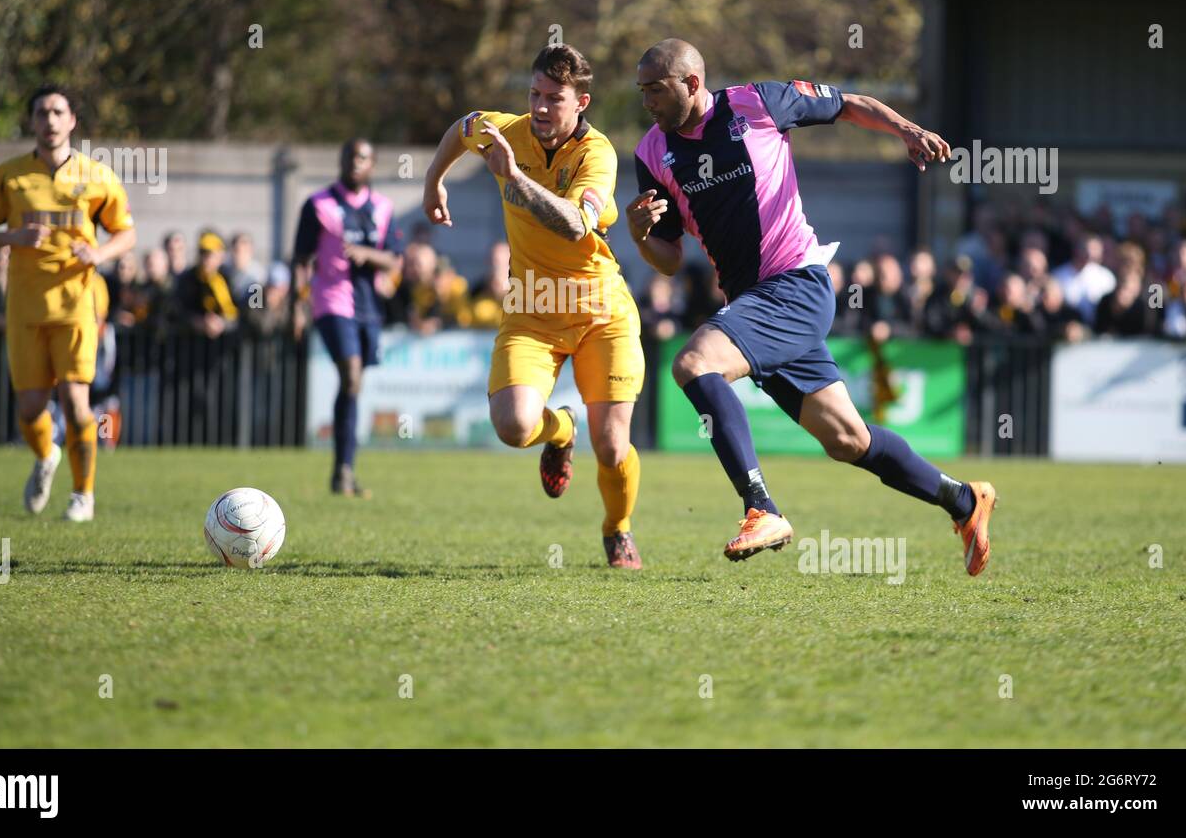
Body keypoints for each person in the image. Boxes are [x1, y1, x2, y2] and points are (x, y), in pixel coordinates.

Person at [628, 38, 996, 573]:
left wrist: (907, 130)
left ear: (690, 83)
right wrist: (641, 236)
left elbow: (846, 102)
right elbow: (666, 258)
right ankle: (964, 500)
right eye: (642, 92)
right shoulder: (650, 153)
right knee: (848, 439)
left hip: (795, 284)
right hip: (754, 305)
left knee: (693, 363)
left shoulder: (758, 103)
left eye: (655, 90)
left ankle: (761, 507)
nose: (647, 102)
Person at [422, 43, 647, 569]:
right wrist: (433, 182)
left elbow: (574, 225)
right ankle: (562, 430)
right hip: (531, 309)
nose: (541, 107)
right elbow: (462, 126)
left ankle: (617, 529)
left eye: (554, 98)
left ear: (581, 102)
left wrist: (514, 178)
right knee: (514, 427)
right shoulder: (506, 131)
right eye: (535, 94)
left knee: (613, 449)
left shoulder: (600, 155)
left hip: (600, 312)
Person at [0, 83, 136, 522]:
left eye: (57, 112)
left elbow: (127, 232)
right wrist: (11, 237)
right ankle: (46, 457)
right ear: (31, 121)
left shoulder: (96, 175)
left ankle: (83, 495)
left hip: (77, 304)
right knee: (29, 410)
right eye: (41, 112)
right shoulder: (10, 175)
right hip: (25, 306)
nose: (49, 120)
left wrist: (99, 254)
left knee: (76, 403)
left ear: (72, 120)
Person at [293, 138, 404, 497]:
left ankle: (345, 471)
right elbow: (299, 259)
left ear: (372, 165)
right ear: (339, 161)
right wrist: (298, 306)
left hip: (369, 307)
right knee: (351, 377)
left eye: (362, 158)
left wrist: (366, 255)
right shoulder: (319, 205)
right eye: (348, 156)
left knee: (354, 386)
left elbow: (394, 260)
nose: (354, 162)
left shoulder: (384, 208)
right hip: (331, 301)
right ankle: (342, 469)